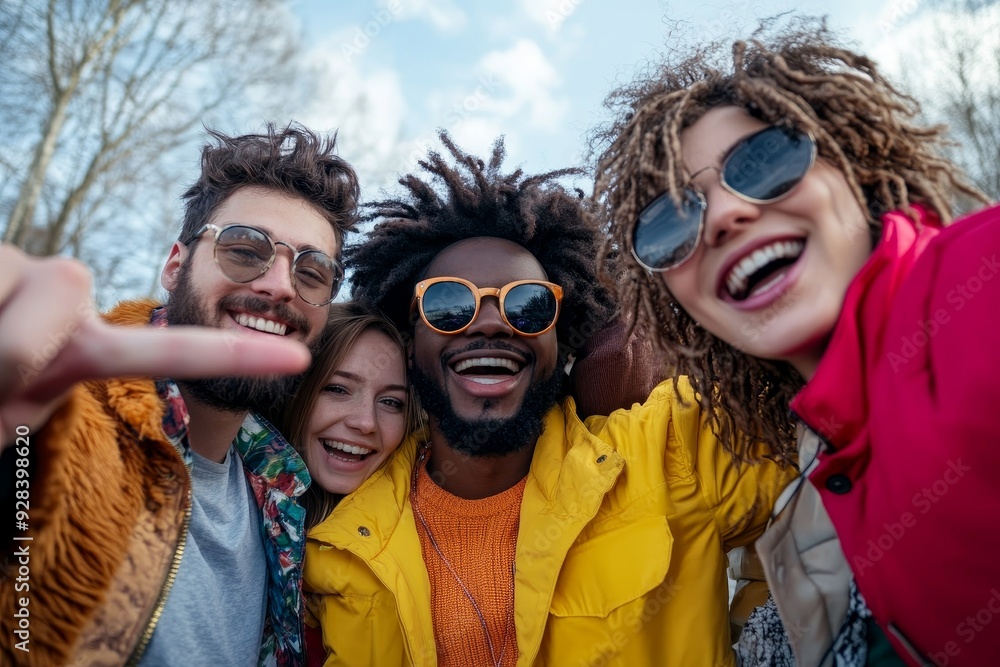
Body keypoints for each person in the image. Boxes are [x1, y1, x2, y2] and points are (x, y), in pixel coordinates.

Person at [592, 18, 1000, 666]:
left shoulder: (976, 288)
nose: (725, 215)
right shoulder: (828, 448)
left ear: (854, 163)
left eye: (765, 162)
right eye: (672, 221)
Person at [300, 132, 793, 667]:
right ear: (410, 342)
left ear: (562, 341)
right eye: (448, 304)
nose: (490, 322)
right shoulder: (336, 551)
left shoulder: (669, 451)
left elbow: (835, 420)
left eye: (529, 306)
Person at [0, 123, 359, 667]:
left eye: (313, 271)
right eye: (245, 249)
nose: (282, 284)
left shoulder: (285, 494)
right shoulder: (60, 417)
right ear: (175, 265)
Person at [260, 301, 420, 667]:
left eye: (391, 401)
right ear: (295, 390)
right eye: (338, 389)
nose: (365, 422)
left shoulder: (421, 534)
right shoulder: (233, 515)